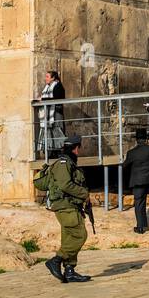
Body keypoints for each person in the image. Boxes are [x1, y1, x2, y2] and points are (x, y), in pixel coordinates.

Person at [43, 135, 93, 284]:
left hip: (70, 206)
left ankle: (70, 271)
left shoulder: (68, 162)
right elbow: (65, 185)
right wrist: (84, 194)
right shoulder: (64, 163)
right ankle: (56, 260)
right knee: (80, 236)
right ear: (75, 148)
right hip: (65, 206)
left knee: (69, 238)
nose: (79, 151)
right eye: (79, 148)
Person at [37, 69, 66, 157]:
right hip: (49, 115)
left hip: (56, 114)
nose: (45, 79)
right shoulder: (47, 87)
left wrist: (43, 100)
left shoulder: (58, 86)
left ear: (53, 78)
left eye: (47, 77)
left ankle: (59, 151)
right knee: (49, 132)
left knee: (57, 131)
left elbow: (57, 99)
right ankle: (50, 150)